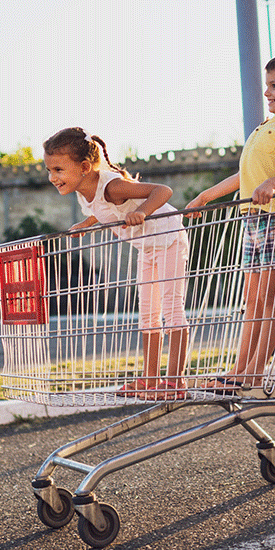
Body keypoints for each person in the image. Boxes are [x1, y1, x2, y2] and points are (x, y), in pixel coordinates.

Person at [185, 53, 275, 392]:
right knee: (254, 299)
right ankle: (238, 370)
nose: (267, 93)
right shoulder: (265, 127)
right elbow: (243, 175)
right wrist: (205, 196)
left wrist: (272, 184)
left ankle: (254, 372)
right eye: (267, 86)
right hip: (253, 222)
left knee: (269, 300)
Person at [43, 127, 190, 400]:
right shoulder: (84, 190)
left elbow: (163, 190)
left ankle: (175, 382)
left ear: (85, 167)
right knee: (147, 313)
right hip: (146, 247)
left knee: (171, 308)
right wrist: (87, 223)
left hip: (168, 238)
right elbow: (104, 211)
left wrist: (141, 211)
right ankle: (150, 378)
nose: (53, 177)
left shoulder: (112, 186)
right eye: (50, 170)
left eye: (58, 170)